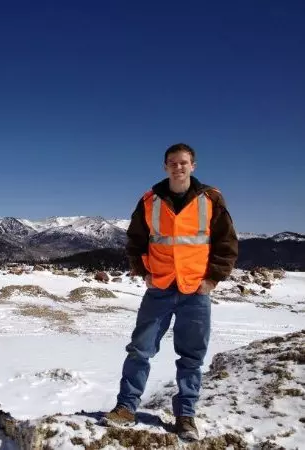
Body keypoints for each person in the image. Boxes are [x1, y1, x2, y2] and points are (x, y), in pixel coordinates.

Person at [105, 143, 238, 441]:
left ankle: (186, 416)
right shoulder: (150, 201)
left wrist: (213, 279)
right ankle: (126, 408)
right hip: (161, 287)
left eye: (184, 163)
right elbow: (136, 240)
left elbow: (226, 243)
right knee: (140, 349)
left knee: (192, 357)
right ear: (165, 167)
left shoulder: (210, 201)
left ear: (193, 165)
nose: (178, 168)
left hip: (196, 289)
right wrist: (144, 272)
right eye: (172, 163)